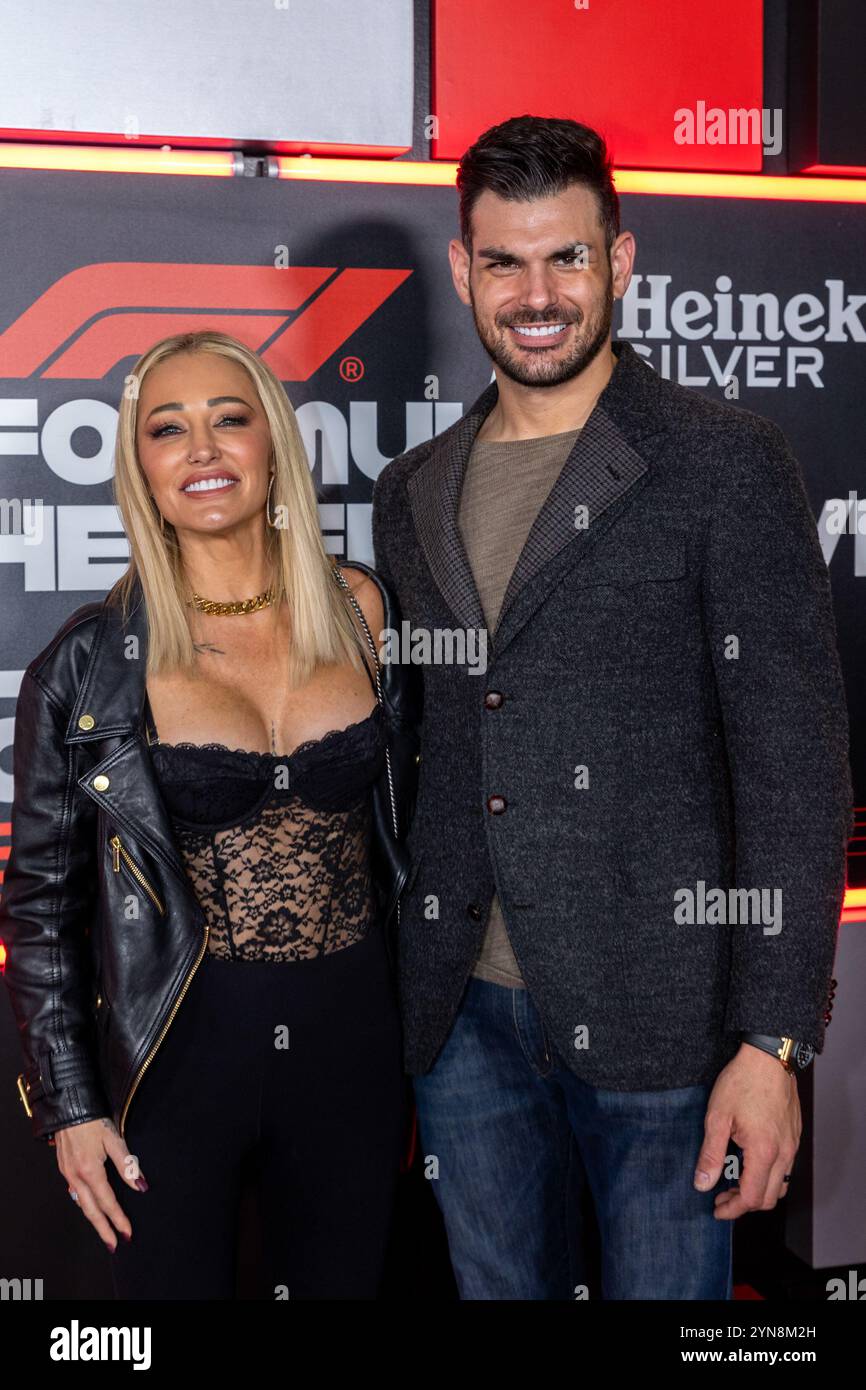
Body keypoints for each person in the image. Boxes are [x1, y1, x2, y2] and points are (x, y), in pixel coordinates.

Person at [371, 115, 853, 1300]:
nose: (536, 295)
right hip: (461, 1026)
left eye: (566, 258)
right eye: (503, 261)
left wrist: (771, 1041)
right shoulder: (410, 490)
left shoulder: (724, 463)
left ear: (621, 261)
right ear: (460, 270)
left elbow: (794, 771)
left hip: (667, 1031)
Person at [1, 328, 418, 1300]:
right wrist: (68, 1105)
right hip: (174, 1060)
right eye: (167, 428)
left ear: (272, 441)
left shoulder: (364, 610)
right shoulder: (91, 662)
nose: (201, 449)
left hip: (353, 1049)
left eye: (229, 419)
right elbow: (39, 907)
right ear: (140, 468)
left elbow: (413, 830)